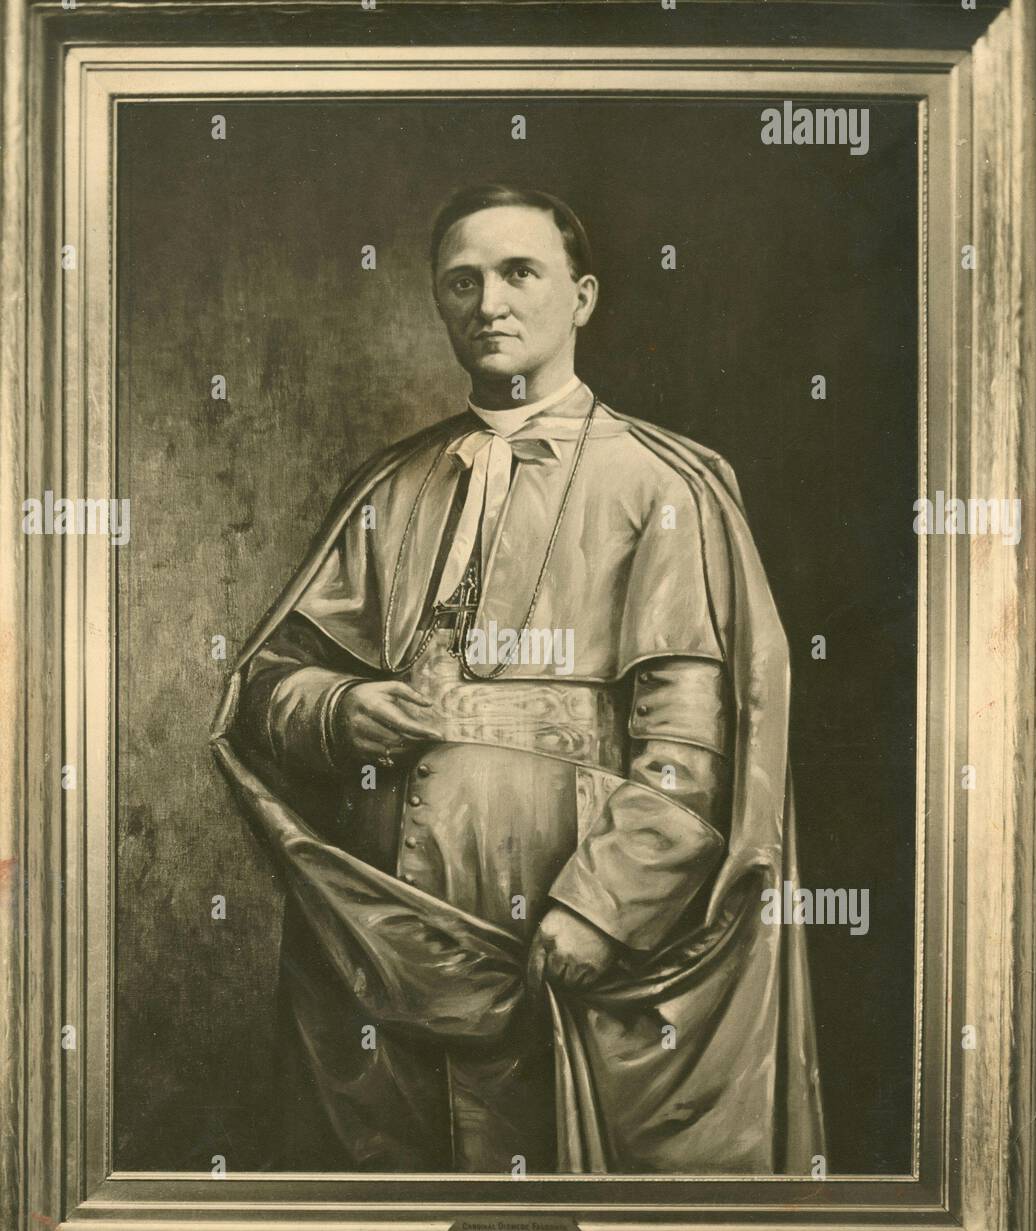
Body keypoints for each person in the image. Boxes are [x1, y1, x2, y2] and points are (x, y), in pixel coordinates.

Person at [211, 183, 825, 1174]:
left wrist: (600, 906)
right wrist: (339, 708)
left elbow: (687, 750)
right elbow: (267, 686)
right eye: (462, 282)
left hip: (557, 943)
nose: (488, 303)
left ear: (580, 298)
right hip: (374, 942)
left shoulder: (660, 485)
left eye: (517, 274)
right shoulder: (392, 484)